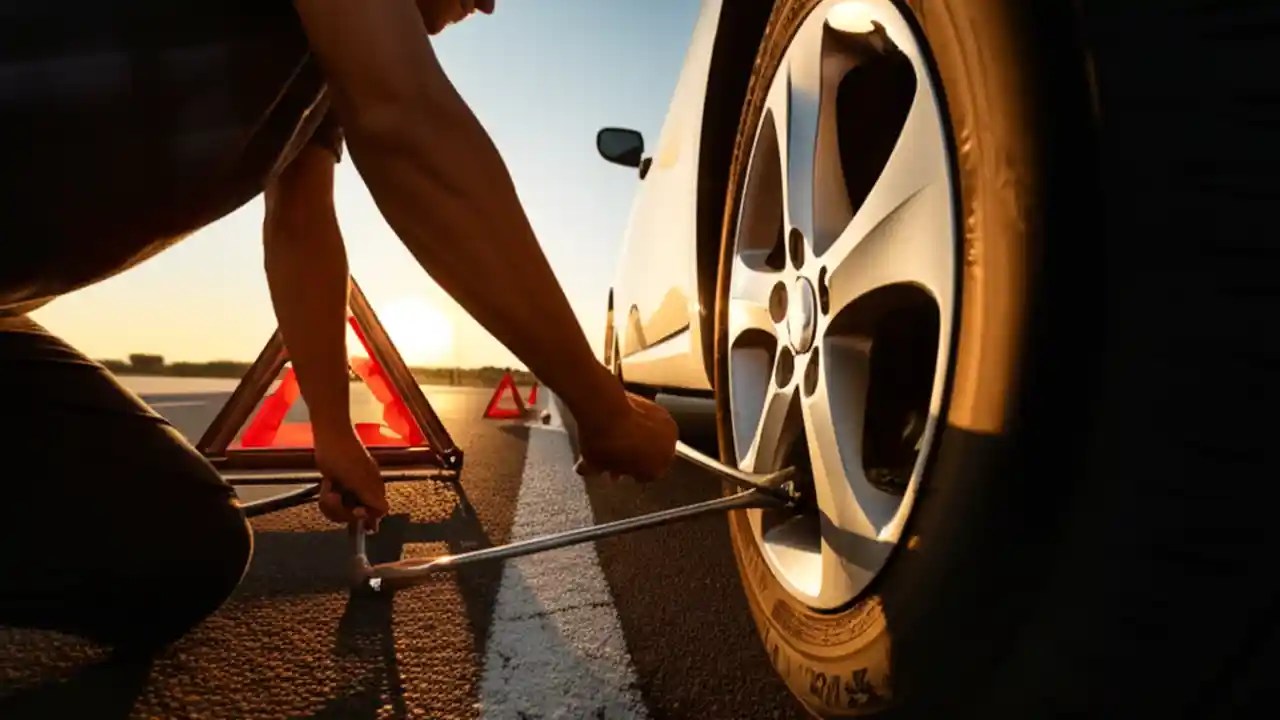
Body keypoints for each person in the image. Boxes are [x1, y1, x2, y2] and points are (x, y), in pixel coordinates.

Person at [0, 0, 678, 652]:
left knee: (180, 552)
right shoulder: (366, 65)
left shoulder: (321, 74)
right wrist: (598, 402)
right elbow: (406, 125)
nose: (493, 4)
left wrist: (333, 430)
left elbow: (300, 224)